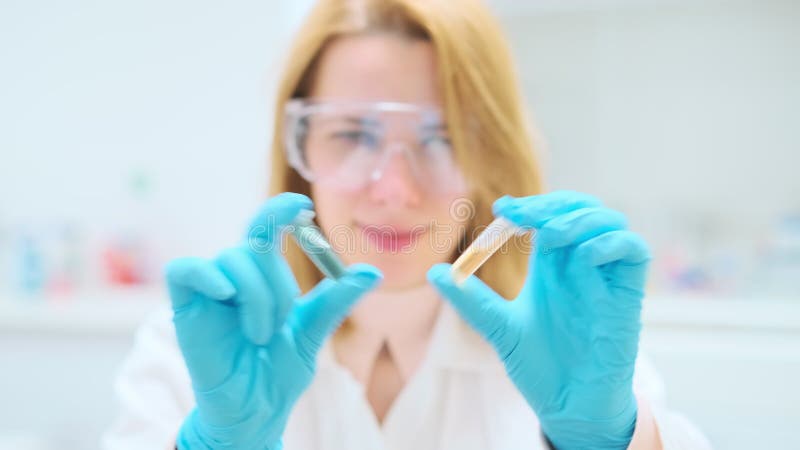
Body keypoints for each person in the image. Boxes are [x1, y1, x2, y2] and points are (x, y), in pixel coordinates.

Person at [103, 0, 712, 448]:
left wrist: (605, 442)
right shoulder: (196, 355)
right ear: (299, 152)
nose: (395, 189)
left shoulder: (572, 344)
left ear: (491, 158)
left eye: (441, 139)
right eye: (352, 135)